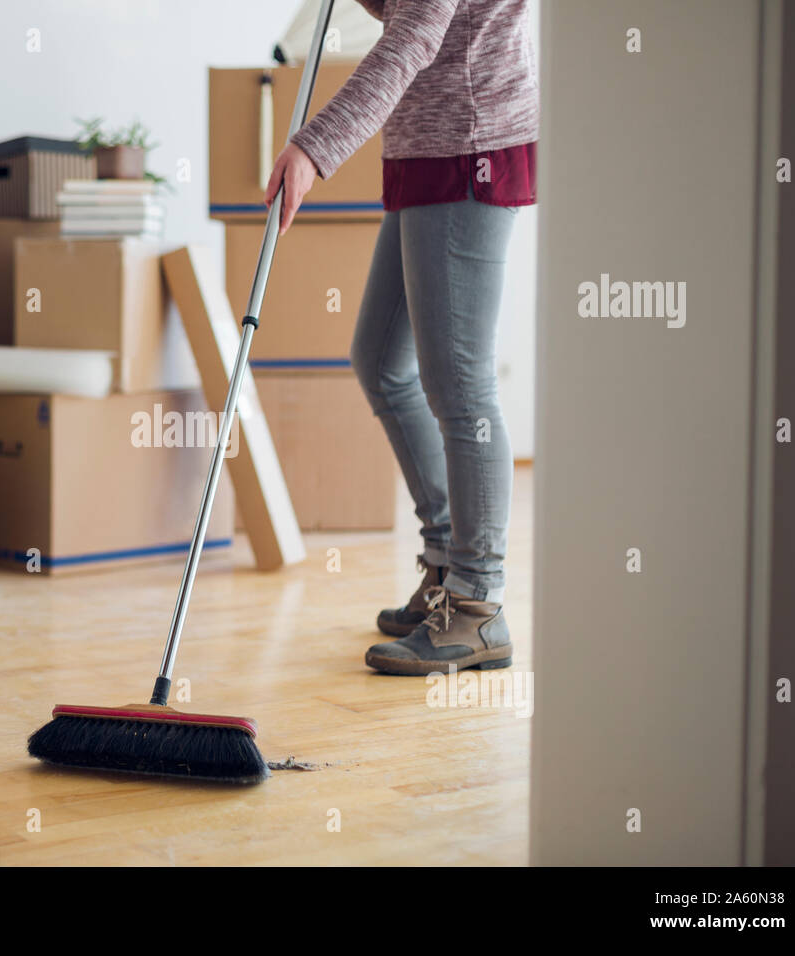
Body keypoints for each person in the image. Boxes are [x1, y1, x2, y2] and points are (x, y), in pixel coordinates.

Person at [265, 0, 538, 675]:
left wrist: (314, 145)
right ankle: (448, 561)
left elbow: (414, 35)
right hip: (428, 144)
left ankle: (476, 606)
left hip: (467, 143)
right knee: (383, 362)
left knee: (459, 380)